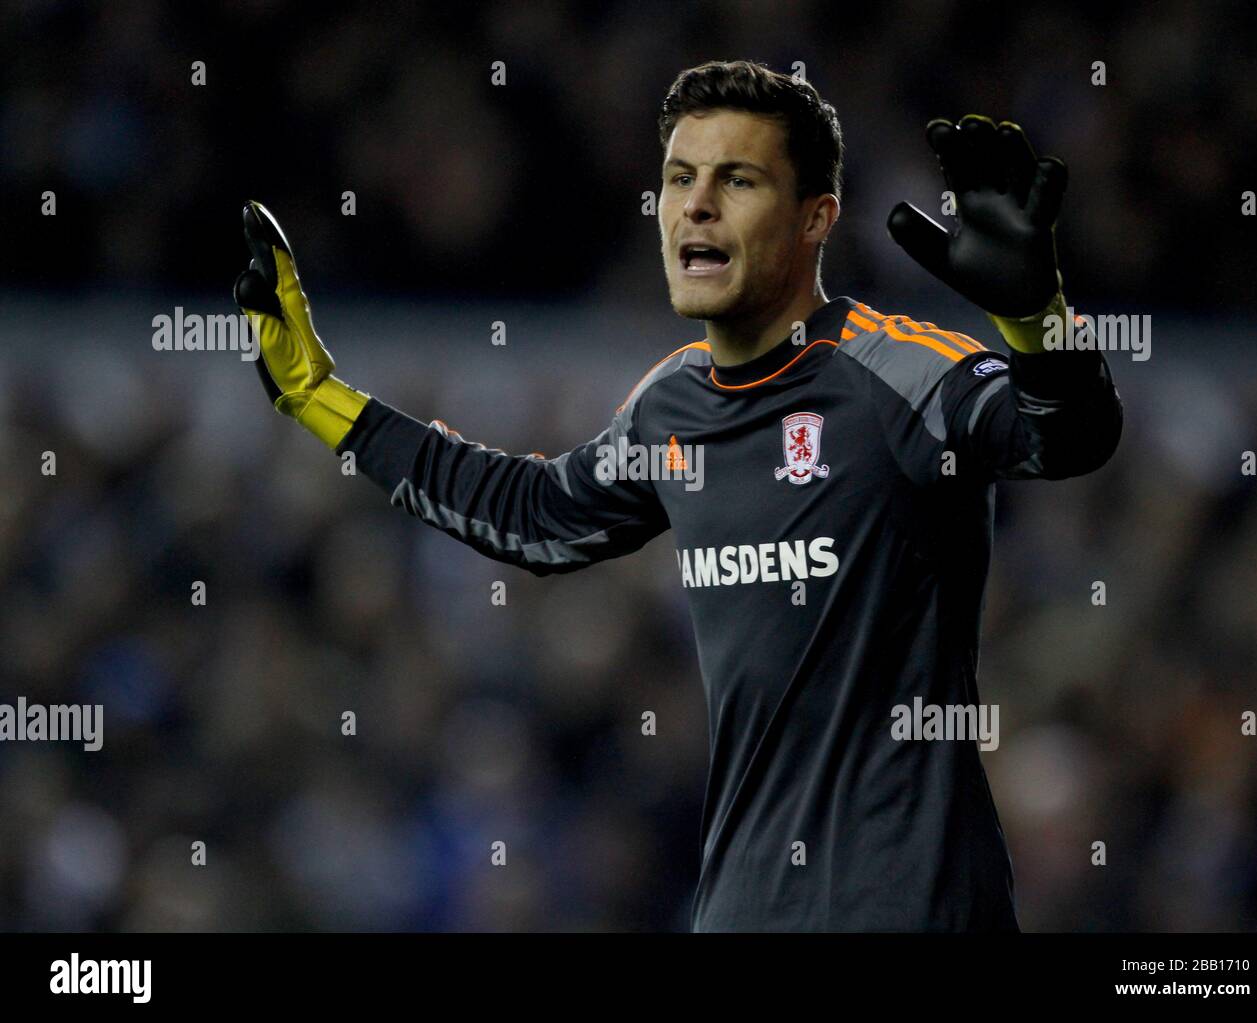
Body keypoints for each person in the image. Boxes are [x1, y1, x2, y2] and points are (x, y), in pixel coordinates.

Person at [233, 59, 1123, 931]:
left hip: (914, 904)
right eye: (679, 178)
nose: (695, 204)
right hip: (741, 908)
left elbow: (1068, 436)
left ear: (817, 218)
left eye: (737, 179)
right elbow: (532, 515)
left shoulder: (897, 371)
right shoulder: (673, 407)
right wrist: (319, 397)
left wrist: (1036, 316)